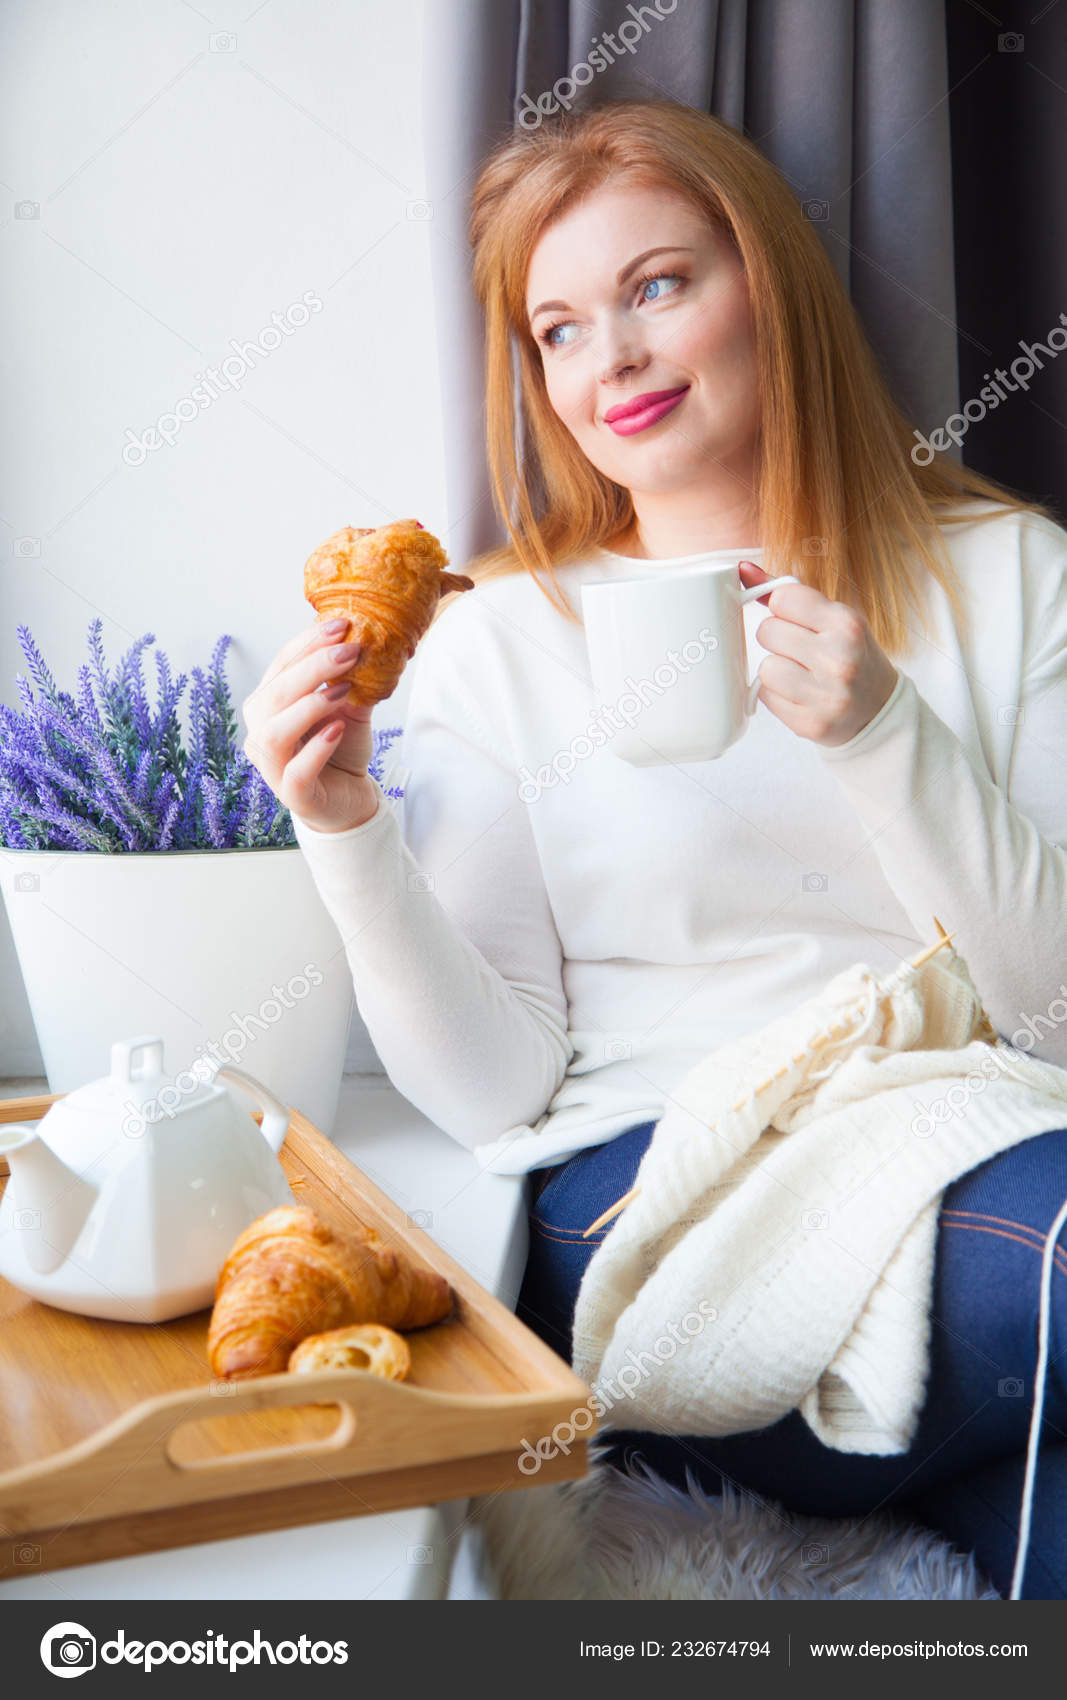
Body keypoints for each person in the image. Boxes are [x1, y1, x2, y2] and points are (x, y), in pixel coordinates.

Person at [241, 100, 1067, 1598]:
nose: (608, 359)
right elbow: (494, 1090)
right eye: (557, 329)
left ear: (775, 288)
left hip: (981, 1147)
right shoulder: (497, 638)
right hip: (657, 1201)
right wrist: (345, 827)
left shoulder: (1012, 576)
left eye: (657, 286)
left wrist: (888, 734)